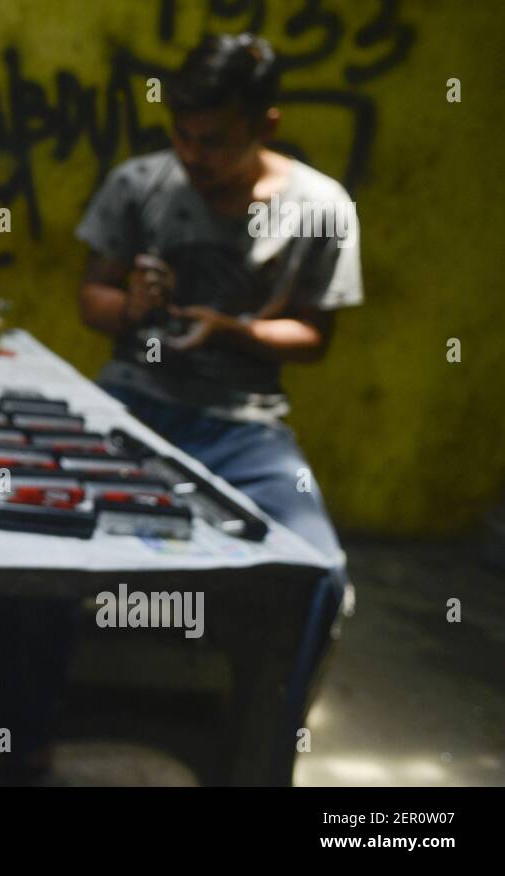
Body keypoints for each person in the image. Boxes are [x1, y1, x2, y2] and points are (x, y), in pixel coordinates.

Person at [76, 33, 362, 557]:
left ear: (266, 125)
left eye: (213, 141)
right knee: (49, 524)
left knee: (315, 566)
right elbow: (93, 298)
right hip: (131, 402)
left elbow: (315, 338)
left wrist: (234, 332)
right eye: (181, 135)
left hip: (242, 426)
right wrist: (131, 308)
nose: (192, 155)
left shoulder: (322, 206)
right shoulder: (138, 184)